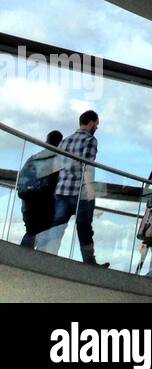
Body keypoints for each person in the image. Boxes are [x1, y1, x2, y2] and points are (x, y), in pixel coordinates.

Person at [46, 110, 106, 265]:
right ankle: (89, 263)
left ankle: (47, 257)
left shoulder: (65, 140)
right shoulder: (90, 140)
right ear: (91, 122)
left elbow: (56, 165)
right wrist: (90, 190)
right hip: (81, 193)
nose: (97, 127)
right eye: (97, 124)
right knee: (84, 229)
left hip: (62, 190)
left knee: (57, 227)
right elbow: (87, 165)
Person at [17, 130, 63, 248]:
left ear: (46, 141)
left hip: (27, 199)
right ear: (60, 144)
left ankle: (21, 256)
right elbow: (54, 183)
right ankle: (33, 261)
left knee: (31, 231)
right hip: (43, 202)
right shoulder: (56, 160)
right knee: (43, 233)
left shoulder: (34, 157)